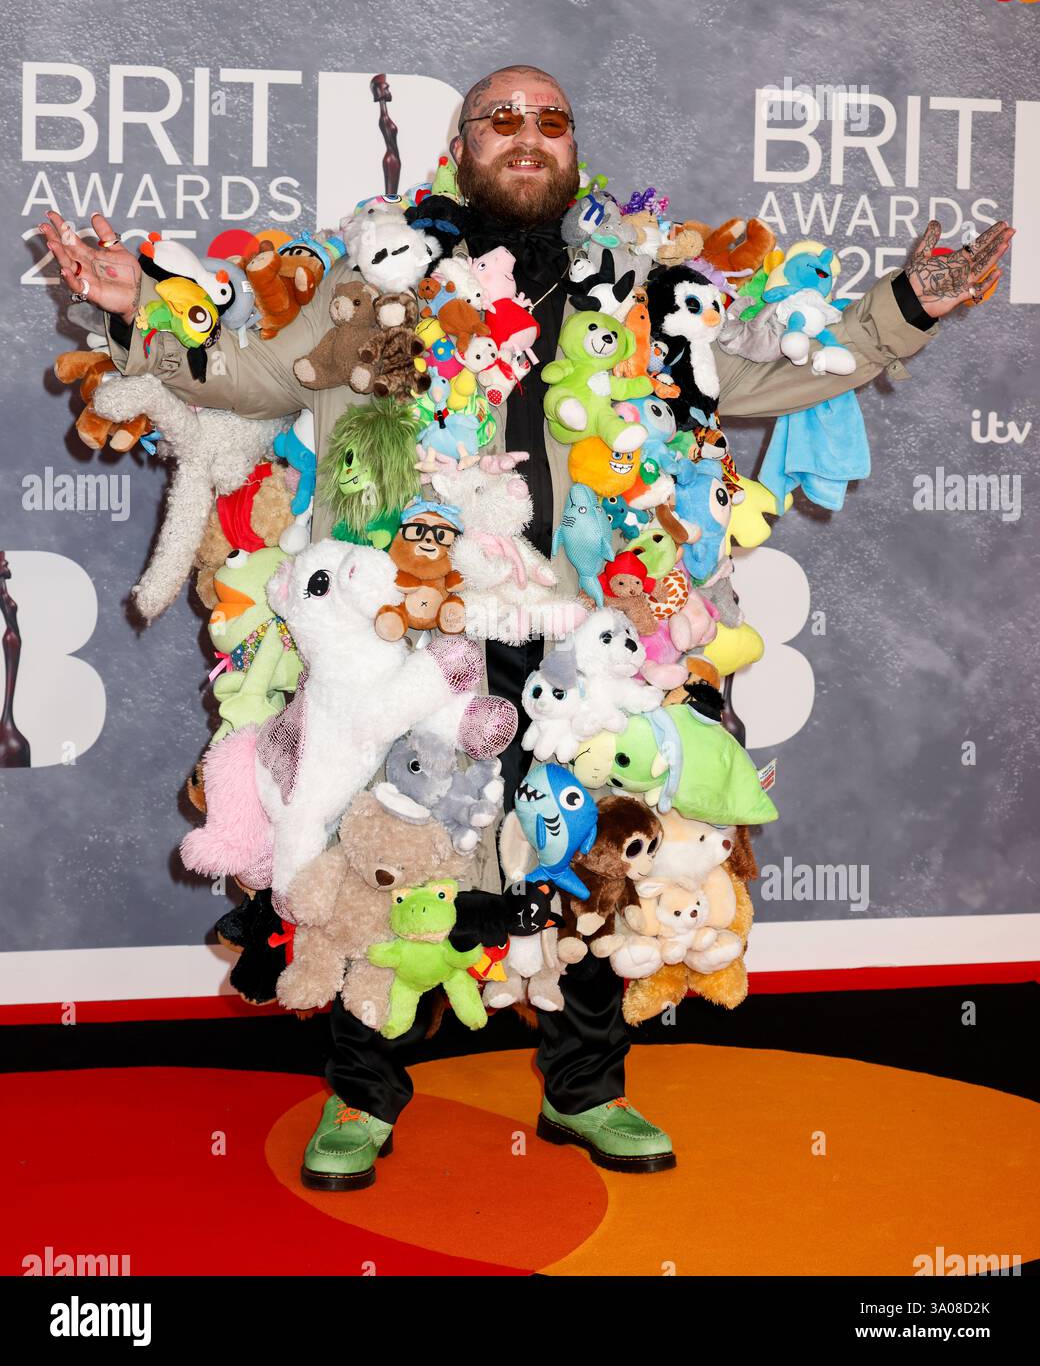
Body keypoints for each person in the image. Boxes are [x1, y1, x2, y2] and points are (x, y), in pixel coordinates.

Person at [39, 63, 1013, 1189]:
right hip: (411, 630)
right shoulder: (370, 273)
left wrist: (906, 307)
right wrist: (131, 312)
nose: (527, 136)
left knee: (594, 859)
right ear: (461, 149)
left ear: (569, 151)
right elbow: (248, 376)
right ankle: (361, 1095)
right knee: (384, 860)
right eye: (499, 119)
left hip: (585, 629)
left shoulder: (633, 288)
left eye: (550, 121)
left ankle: (584, 1089)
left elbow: (758, 369)